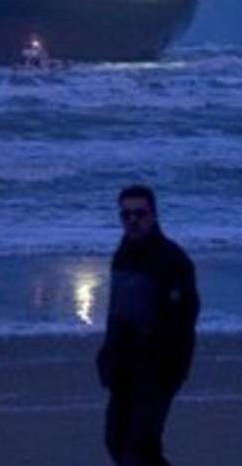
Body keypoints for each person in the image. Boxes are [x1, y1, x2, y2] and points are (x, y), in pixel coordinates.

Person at [97, 185, 200, 466]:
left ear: (154, 215)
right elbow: (116, 309)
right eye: (126, 214)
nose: (133, 220)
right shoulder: (122, 254)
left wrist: (168, 369)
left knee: (138, 446)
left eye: (140, 213)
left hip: (158, 369)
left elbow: (185, 320)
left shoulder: (173, 260)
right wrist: (107, 353)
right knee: (116, 440)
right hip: (123, 365)